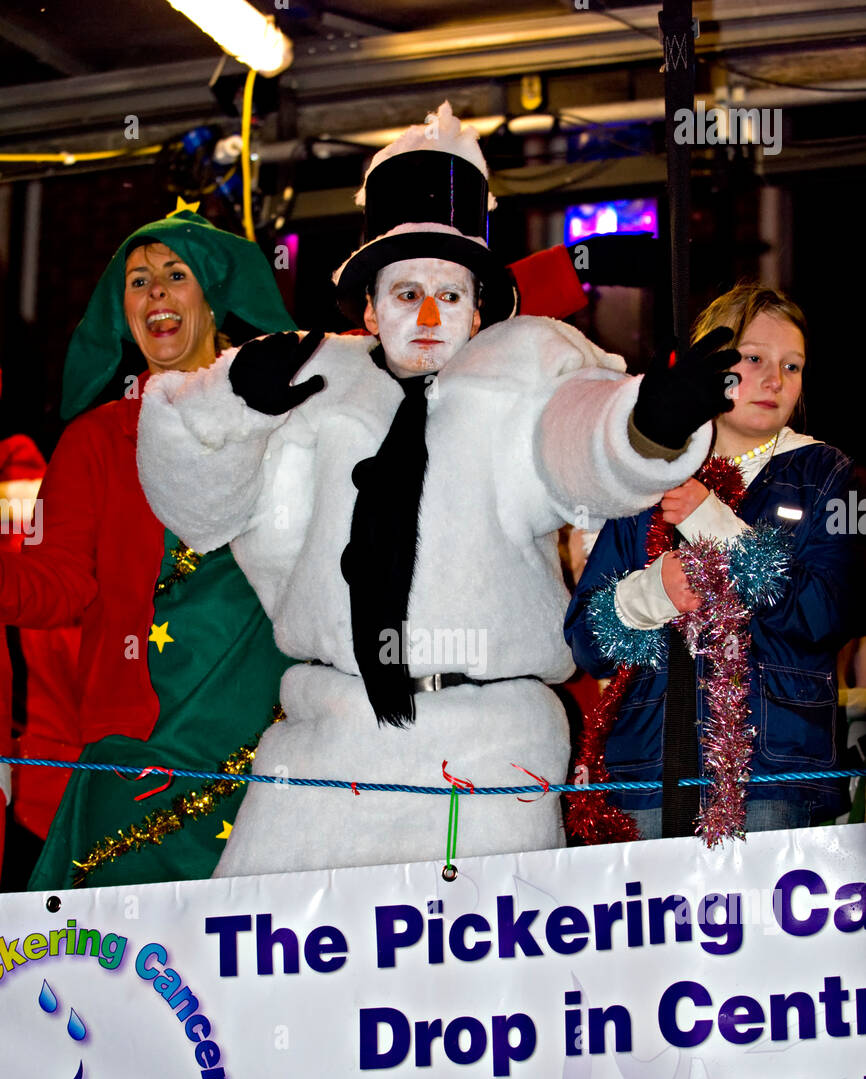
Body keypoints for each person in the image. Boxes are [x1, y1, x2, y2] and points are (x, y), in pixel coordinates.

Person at [138, 103, 737, 878]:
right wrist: (233, 404)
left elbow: (575, 446)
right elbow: (201, 506)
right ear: (367, 306)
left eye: (449, 295)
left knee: (479, 989)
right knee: (268, 975)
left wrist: (646, 423)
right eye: (404, 291)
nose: (426, 314)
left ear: (479, 309)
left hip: (488, 756)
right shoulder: (311, 385)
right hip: (328, 750)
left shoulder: (520, 375)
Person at [0, 204, 295, 889]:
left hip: (269, 737)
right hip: (139, 751)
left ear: (213, 294)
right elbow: (60, 585)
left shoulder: (283, 415)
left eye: (174, 274)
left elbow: (407, 333)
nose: (155, 292)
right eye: (137, 281)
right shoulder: (95, 441)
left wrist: (551, 275)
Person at [565, 283, 862, 840]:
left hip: (768, 778)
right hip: (645, 776)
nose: (776, 380)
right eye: (754, 359)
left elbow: (828, 614)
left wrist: (719, 528)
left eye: (793, 366)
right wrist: (651, 593)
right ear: (712, 363)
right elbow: (586, 642)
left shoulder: (828, 475)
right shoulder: (649, 473)